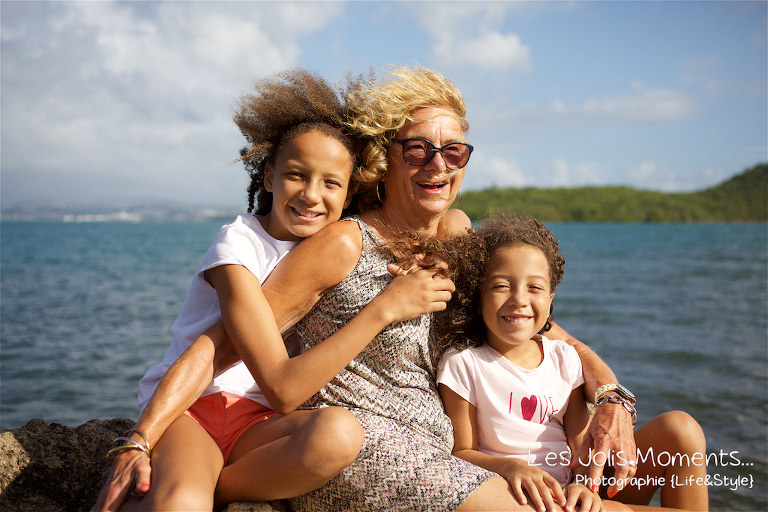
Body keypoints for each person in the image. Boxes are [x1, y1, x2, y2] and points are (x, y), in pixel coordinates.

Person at [98, 66, 655, 511]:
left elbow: (534, 322)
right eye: (418, 149)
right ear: (384, 158)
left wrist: (609, 394)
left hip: (452, 450)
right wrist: (142, 436)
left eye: (454, 151)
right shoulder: (344, 244)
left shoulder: (458, 233)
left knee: (673, 442)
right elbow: (222, 347)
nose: (438, 163)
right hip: (370, 451)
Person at [92, 69, 455, 511]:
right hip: (198, 408)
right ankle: (190, 485)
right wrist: (140, 438)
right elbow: (233, 361)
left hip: (261, 422)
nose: (310, 195)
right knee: (182, 502)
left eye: (330, 183)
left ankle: (214, 486)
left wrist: (451, 234)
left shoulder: (333, 246)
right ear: (268, 176)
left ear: (348, 193)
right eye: (296, 176)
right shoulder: (239, 244)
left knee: (340, 435)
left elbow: (451, 220)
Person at [435, 213, 709, 512]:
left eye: (534, 288)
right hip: (517, 496)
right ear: (478, 295)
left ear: (550, 300)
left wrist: (583, 485)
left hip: (572, 494)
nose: (518, 299)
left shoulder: (563, 358)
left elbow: (581, 447)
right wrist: (511, 468)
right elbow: (461, 452)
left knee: (681, 426)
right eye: (501, 286)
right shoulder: (464, 363)